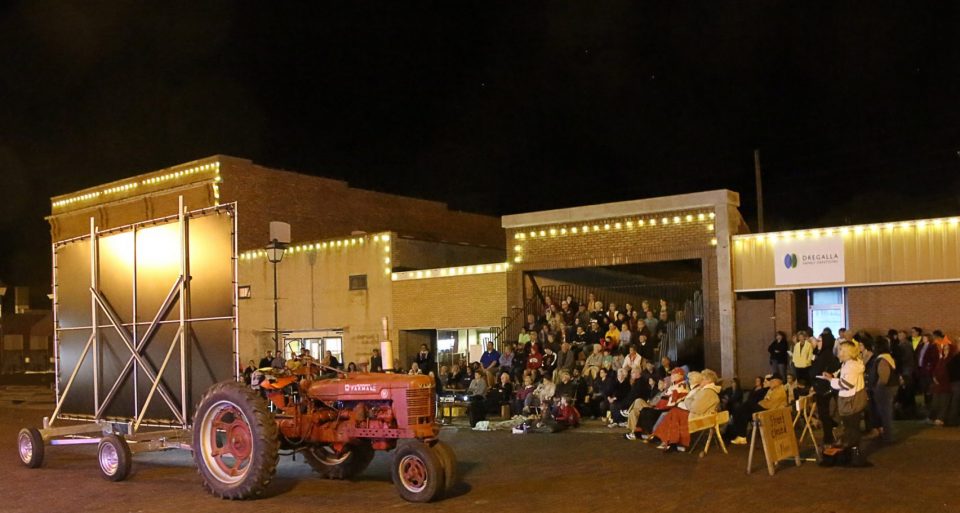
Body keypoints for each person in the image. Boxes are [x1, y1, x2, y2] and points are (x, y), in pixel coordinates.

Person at [651, 369, 721, 452]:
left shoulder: (708, 392)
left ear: (709, 380)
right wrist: (690, 402)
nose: (700, 381)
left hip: (699, 419)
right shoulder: (706, 391)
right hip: (699, 416)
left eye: (702, 379)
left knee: (675, 412)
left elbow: (695, 408)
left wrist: (688, 401)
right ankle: (670, 442)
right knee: (674, 412)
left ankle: (667, 440)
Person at [828, 341, 867, 464]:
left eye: (840, 350)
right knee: (852, 428)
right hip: (854, 400)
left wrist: (831, 380)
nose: (838, 352)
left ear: (846, 352)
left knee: (851, 429)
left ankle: (854, 456)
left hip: (850, 401)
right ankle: (853, 455)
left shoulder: (850, 366)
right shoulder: (853, 363)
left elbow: (846, 384)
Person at [728, 374, 787, 445]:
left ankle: (741, 436)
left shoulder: (779, 391)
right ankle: (740, 435)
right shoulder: (772, 390)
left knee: (743, 409)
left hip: (768, 412)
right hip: (764, 408)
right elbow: (765, 401)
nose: (769, 382)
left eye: (771, 381)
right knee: (741, 410)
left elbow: (770, 405)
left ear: (776, 382)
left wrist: (759, 404)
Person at [811, 332, 840, 447]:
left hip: (823, 389)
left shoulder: (824, 355)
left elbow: (814, 371)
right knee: (825, 414)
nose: (817, 343)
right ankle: (829, 434)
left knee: (824, 414)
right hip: (825, 387)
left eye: (820, 341)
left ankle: (828, 438)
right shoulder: (825, 354)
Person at [869, 337, 898, 442]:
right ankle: (887, 435)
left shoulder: (882, 360)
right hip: (889, 388)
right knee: (886, 413)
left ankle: (888, 437)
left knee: (885, 414)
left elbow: (883, 378)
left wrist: (877, 389)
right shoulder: (888, 358)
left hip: (885, 390)